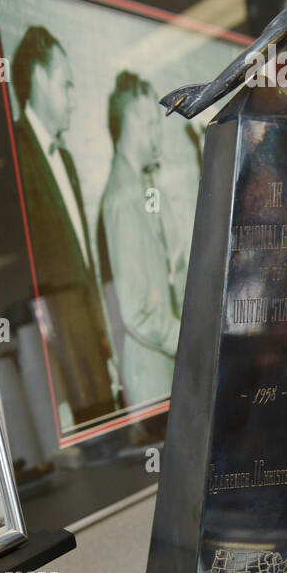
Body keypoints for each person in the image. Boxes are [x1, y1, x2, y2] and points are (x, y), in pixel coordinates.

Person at [11, 24, 116, 426]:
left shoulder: (66, 159)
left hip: (89, 341)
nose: (74, 98)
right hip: (61, 354)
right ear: (39, 78)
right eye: (67, 85)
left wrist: (103, 338)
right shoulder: (17, 153)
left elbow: (79, 260)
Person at [97, 72, 181, 408]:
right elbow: (137, 311)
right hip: (151, 377)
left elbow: (167, 254)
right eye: (152, 125)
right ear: (132, 123)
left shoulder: (139, 186)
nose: (158, 136)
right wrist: (191, 339)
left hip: (160, 365)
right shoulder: (122, 197)